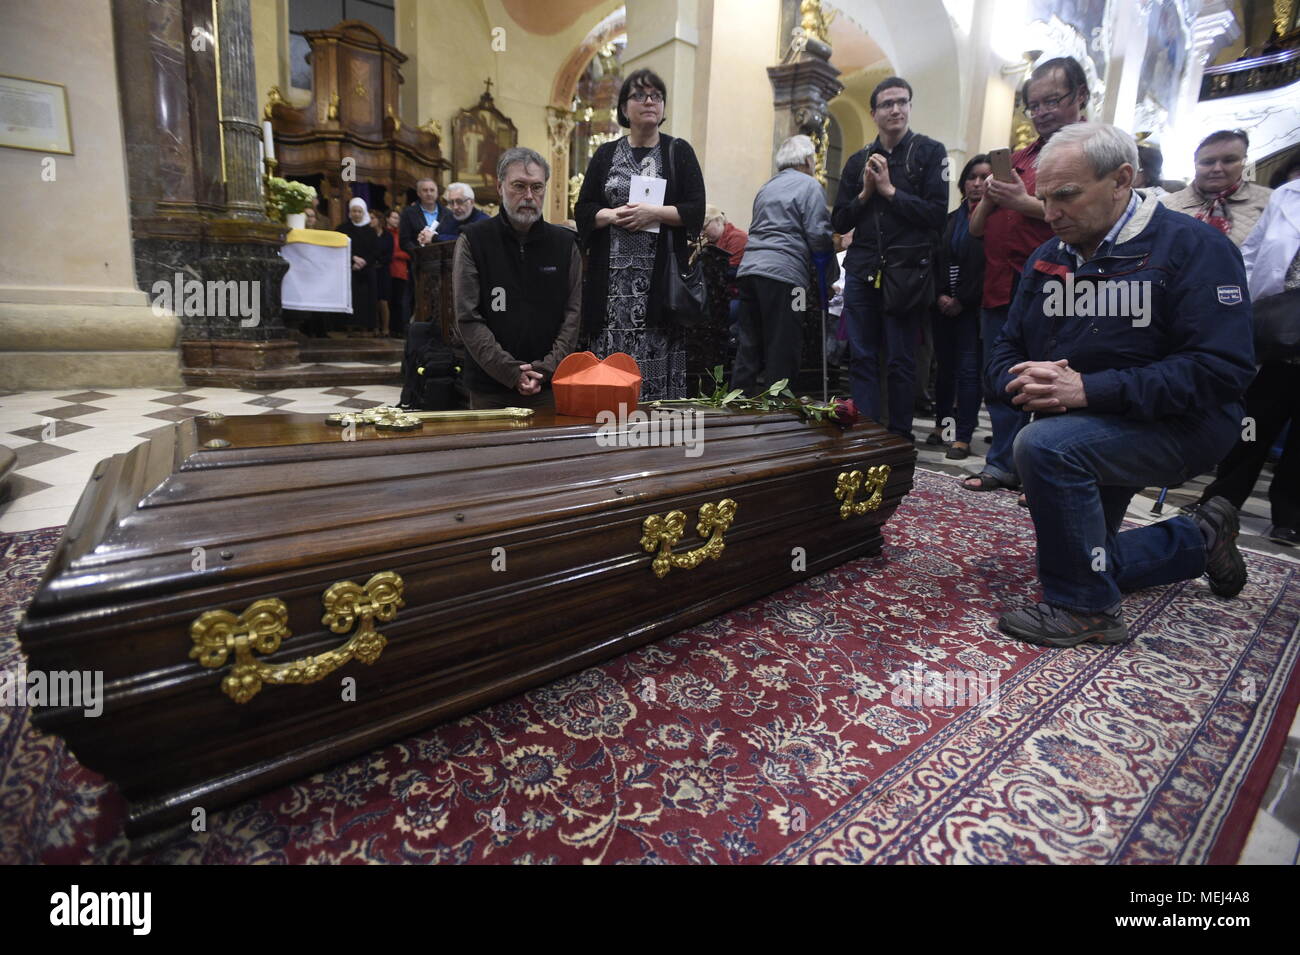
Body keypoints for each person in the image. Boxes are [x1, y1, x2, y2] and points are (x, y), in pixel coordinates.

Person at [986, 123, 1255, 648]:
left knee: (1042, 447)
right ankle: (1200, 537)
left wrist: (1087, 390)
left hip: (1184, 423)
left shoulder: (1194, 248)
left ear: (1121, 180)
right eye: (1043, 199)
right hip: (1096, 419)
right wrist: (1023, 381)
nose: (1052, 211)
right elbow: (1005, 349)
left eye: (1066, 195)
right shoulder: (1052, 257)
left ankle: (1086, 610)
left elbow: (1222, 369)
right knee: (1091, 556)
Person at [963, 56, 1088, 493]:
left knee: (1054, 377)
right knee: (1002, 376)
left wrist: (1021, 201)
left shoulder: (1092, 150)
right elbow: (976, 229)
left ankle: (1046, 471)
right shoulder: (1019, 157)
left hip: (1061, 283)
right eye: (1033, 106)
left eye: (1051, 100)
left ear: (1081, 97)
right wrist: (993, 197)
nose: (1041, 113)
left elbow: (1085, 215)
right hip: (1001, 283)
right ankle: (1003, 462)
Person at [574, 68, 706, 401]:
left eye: (656, 96)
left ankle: (654, 439)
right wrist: (609, 215)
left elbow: (695, 210)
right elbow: (584, 208)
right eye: (640, 95)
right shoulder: (605, 154)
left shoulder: (678, 151)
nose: (650, 102)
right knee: (611, 361)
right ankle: (609, 429)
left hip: (660, 283)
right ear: (623, 107)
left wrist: (654, 213)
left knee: (656, 354)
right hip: (611, 285)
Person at [831, 75, 948, 441]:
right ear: (874, 112)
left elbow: (937, 216)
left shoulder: (930, 153)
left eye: (901, 102)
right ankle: (865, 433)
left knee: (901, 360)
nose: (895, 109)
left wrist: (890, 191)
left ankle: (898, 435)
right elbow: (839, 221)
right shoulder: (856, 162)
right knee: (862, 357)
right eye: (887, 104)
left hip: (908, 275)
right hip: (863, 270)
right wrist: (866, 194)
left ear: (910, 107)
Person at [1191, 178, 1300, 546]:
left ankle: (1290, 516)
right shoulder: (1288, 195)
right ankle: (1221, 500)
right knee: (1253, 420)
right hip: (1278, 328)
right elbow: (1252, 256)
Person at [453, 147, 581, 410]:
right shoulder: (474, 240)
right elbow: (468, 316)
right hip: (490, 387)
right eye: (519, 186)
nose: (528, 196)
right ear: (500, 187)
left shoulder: (565, 244)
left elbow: (573, 315)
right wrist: (510, 371)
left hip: (549, 386)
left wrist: (546, 368)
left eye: (537, 187)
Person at [731, 135, 837, 394]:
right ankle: (777, 413)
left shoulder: (766, 187)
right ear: (808, 161)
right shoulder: (810, 187)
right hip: (787, 278)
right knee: (784, 345)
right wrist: (830, 275)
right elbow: (818, 236)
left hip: (749, 272)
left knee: (748, 344)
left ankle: (736, 408)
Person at [926, 154, 990, 460]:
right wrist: (940, 295)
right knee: (944, 371)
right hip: (943, 306)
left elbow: (986, 268)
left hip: (972, 309)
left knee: (968, 371)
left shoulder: (994, 221)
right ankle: (943, 426)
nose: (977, 184)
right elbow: (937, 260)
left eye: (984, 177)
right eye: (971, 177)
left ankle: (962, 436)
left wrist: (961, 300)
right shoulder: (950, 219)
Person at [1160, 130, 1272, 246]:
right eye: (1208, 162)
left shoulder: (1271, 202)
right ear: (1195, 164)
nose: (1217, 168)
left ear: (1244, 162)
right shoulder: (1164, 206)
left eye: (1229, 161)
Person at [337, 197, 381, 336]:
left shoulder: (371, 231)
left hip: (367, 271)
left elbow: (376, 251)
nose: (356, 214)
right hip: (349, 270)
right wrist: (353, 259)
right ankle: (349, 327)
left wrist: (364, 261)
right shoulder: (342, 229)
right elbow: (339, 247)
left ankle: (365, 328)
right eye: (354, 211)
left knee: (366, 301)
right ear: (350, 212)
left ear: (364, 213)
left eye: (359, 211)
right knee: (351, 299)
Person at [400, 178, 445, 258]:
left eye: (432, 190)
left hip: (444, 260)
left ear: (437, 192)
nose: (429, 193)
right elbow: (404, 241)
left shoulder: (447, 213)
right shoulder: (408, 213)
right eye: (425, 190)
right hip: (419, 261)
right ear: (418, 193)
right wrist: (419, 253)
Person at [385, 207, 411, 338]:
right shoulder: (384, 233)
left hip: (400, 271)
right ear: (387, 219)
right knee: (387, 302)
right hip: (387, 271)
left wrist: (393, 254)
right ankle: (387, 328)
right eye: (394, 217)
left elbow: (408, 253)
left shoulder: (401, 234)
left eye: (398, 218)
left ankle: (399, 329)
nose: (396, 220)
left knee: (399, 302)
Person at [370, 209, 393, 338]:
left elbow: (389, 254)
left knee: (383, 300)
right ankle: (375, 327)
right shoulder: (368, 234)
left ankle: (385, 328)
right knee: (373, 300)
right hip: (372, 269)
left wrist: (379, 260)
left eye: (373, 218)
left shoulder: (387, 235)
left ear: (379, 220)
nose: (371, 220)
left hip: (383, 270)